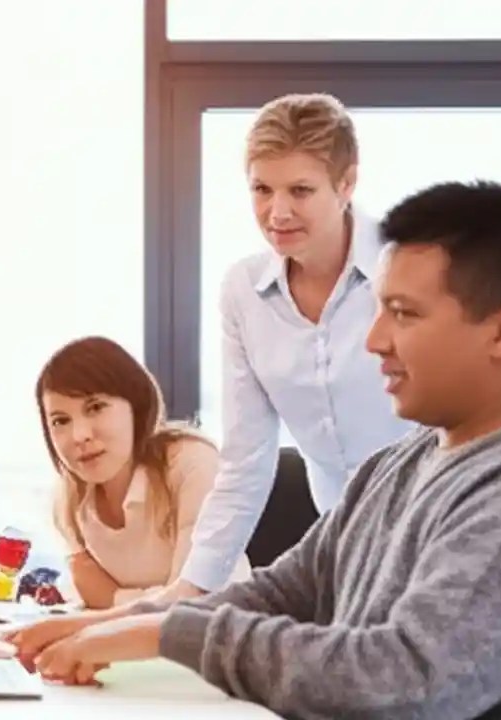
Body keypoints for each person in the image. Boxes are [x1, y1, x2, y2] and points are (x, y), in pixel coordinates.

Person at [16, 181, 501, 719]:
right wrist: (114, 627)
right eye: (379, 309)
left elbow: (406, 683)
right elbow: (288, 590)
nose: (374, 340)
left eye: (404, 314)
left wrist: (165, 636)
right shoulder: (403, 462)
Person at [170, 92, 415, 604]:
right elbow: (245, 462)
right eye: (262, 188)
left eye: (300, 190)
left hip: (438, 533)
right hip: (346, 551)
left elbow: (460, 426)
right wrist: (189, 590)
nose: (276, 212)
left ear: (347, 183)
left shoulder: (412, 263)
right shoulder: (243, 291)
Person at [35, 336, 248, 609]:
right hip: (136, 648)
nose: (80, 435)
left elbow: (192, 605)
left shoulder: (191, 463)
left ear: (135, 406)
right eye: (60, 421)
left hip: (222, 639)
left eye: (96, 407)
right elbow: (88, 592)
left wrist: (114, 599)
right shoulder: (70, 500)